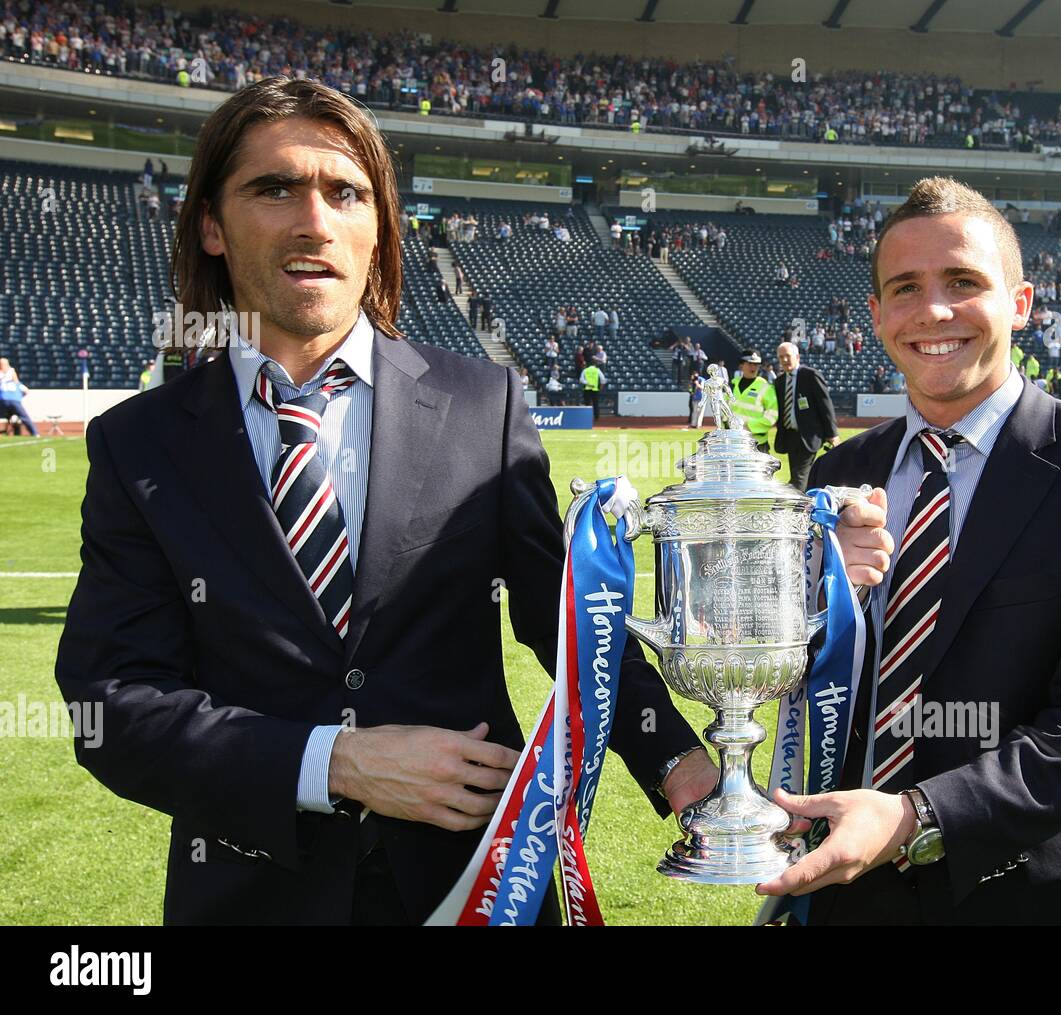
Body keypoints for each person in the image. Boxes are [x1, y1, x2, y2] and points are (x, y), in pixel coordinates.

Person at [53, 78, 721, 927]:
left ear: (377, 228)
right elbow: (112, 700)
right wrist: (334, 762)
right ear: (212, 225)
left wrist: (689, 771)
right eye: (274, 188)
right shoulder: (138, 443)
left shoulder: (484, 405)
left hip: (480, 884)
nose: (315, 220)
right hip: (251, 897)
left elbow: (569, 621)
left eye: (347, 192)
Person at [760, 175, 1061, 926]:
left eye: (963, 281)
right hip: (847, 891)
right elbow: (799, 678)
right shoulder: (835, 477)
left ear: (1019, 303)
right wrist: (806, 597)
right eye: (906, 287)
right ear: (877, 315)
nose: (933, 310)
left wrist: (916, 815)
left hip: (1045, 891)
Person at [772, 341, 838, 492]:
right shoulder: (779, 382)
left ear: (797, 356)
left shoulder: (811, 375)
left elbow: (825, 405)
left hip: (808, 435)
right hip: (789, 436)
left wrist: (832, 434)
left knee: (798, 477)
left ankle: (790, 508)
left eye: (787, 356)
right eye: (781, 357)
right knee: (799, 474)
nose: (784, 360)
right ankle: (807, 504)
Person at [729, 350, 778, 452]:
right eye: (750, 364)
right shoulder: (732, 385)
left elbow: (773, 414)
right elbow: (725, 411)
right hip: (734, 442)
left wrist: (749, 426)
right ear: (741, 365)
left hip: (757, 443)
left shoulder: (766, 387)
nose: (754, 367)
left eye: (756, 364)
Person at [0, 357, 38, 435]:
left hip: (4, 402)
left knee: (20, 417)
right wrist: (18, 397)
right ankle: (35, 433)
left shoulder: (10, 381)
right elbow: (26, 391)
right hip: (13, 402)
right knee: (24, 417)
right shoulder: (16, 382)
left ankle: (34, 433)